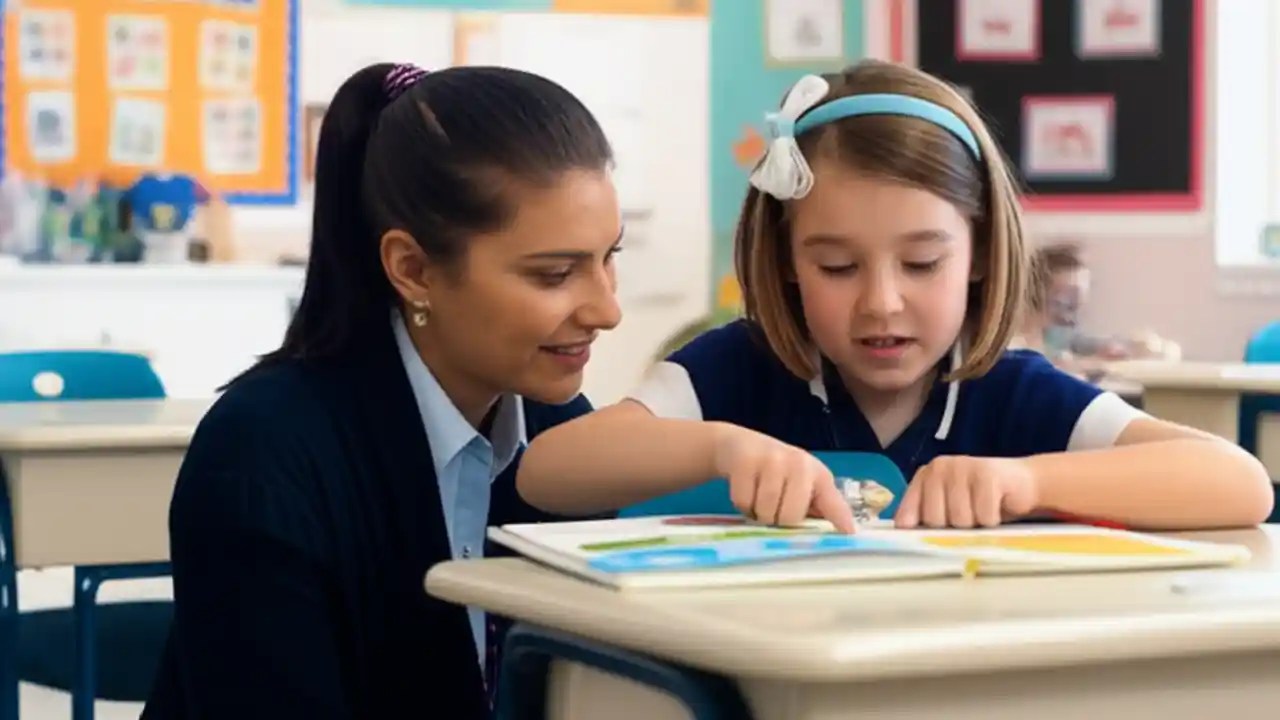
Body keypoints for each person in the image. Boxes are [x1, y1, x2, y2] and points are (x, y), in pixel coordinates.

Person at [516, 60, 1272, 533]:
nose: (881, 303)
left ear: (977, 253)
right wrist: (721, 447)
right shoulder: (735, 371)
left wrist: (1028, 479)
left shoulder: (1010, 393)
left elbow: (1236, 482)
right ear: (785, 262)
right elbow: (546, 470)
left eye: (921, 263)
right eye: (838, 267)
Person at [142, 63, 623, 719]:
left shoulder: (560, 430)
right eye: (555, 274)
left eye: (609, 258)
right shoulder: (263, 455)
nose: (605, 309)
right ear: (413, 269)